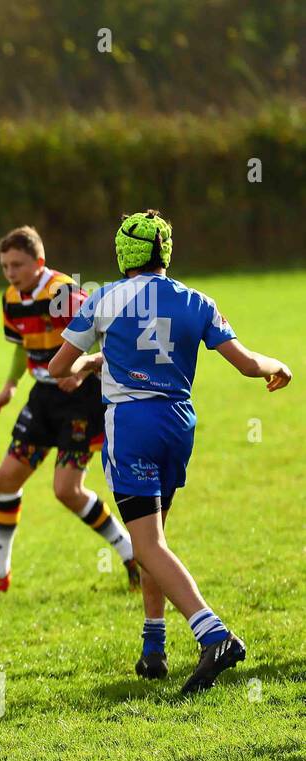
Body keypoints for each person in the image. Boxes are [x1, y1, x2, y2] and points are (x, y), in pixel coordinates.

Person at [49, 210, 292, 692]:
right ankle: (153, 646)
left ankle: (213, 633)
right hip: (178, 426)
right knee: (155, 539)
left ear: (123, 252)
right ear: (166, 250)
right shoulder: (197, 300)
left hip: (131, 426)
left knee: (147, 542)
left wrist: (92, 359)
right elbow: (245, 364)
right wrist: (277, 364)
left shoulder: (104, 297)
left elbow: (60, 367)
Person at [0, 226, 138, 596]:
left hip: (82, 396)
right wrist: (9, 387)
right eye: (5, 265)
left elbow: (105, 332)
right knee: (5, 479)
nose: (10, 273)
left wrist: (84, 368)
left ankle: (133, 554)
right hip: (44, 397)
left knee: (66, 490)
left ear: (39, 262)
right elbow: (23, 347)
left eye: (18, 265)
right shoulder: (10, 298)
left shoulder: (63, 293)